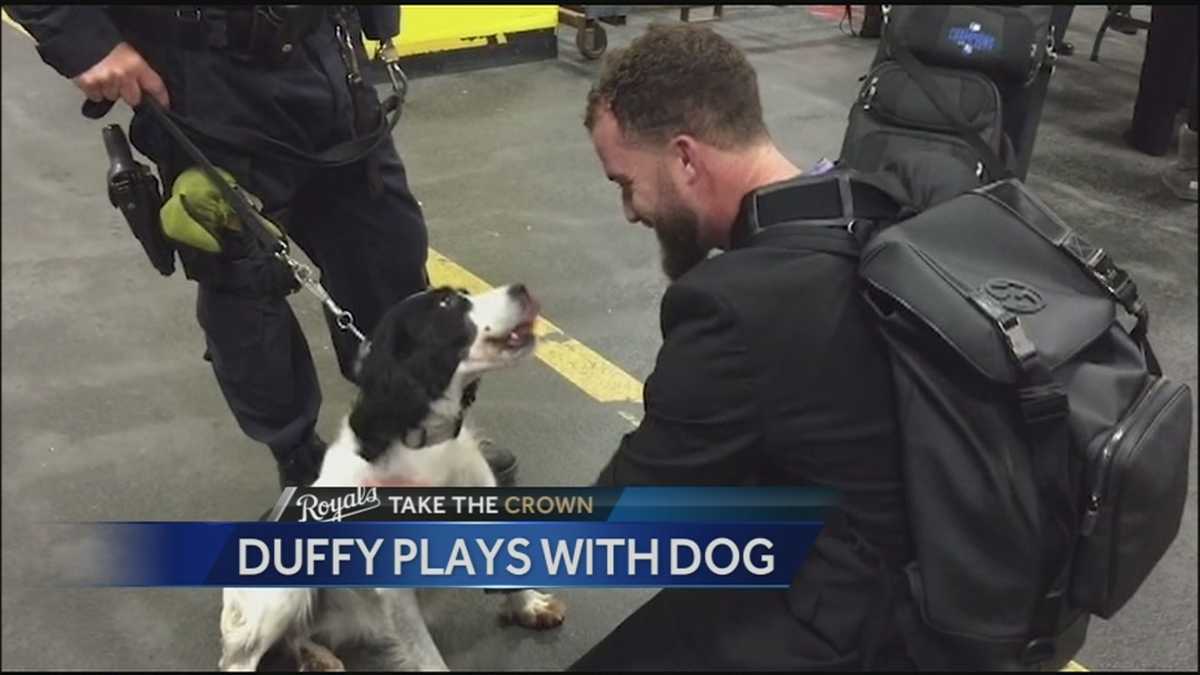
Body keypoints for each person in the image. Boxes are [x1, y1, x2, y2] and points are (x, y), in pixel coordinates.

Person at [5, 6, 517, 489]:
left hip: (324, 54)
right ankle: (300, 463)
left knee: (387, 253)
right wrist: (87, 42)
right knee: (245, 286)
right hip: (201, 77)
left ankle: (416, 433)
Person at [573, 24, 912, 670]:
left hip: (847, 619)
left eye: (625, 183)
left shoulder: (732, 306)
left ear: (686, 159)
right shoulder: (864, 200)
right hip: (912, 561)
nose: (629, 211)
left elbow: (621, 521)